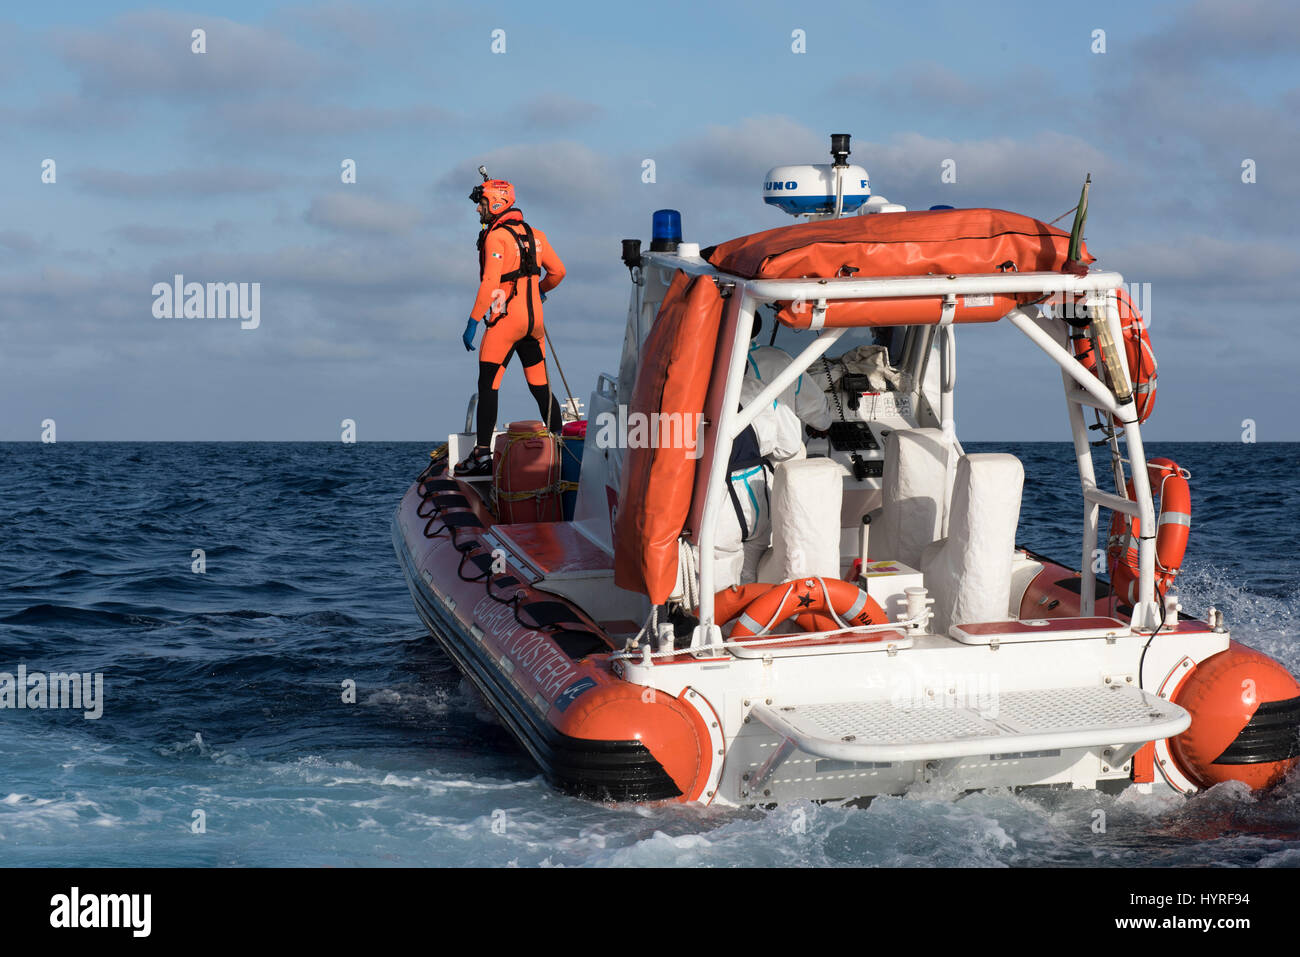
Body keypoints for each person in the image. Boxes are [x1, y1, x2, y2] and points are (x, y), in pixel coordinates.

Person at [455, 177, 566, 477]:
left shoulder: (496, 237)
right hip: (535, 323)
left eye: (481, 203)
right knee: (541, 388)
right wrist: (540, 289)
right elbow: (559, 271)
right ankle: (561, 448)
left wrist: (473, 321)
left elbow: (490, 283)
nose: (478, 210)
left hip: (506, 322)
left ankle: (481, 455)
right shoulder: (537, 235)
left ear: (496, 203)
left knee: (488, 385)